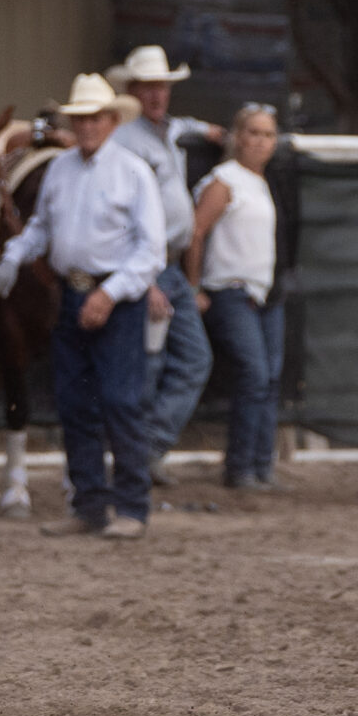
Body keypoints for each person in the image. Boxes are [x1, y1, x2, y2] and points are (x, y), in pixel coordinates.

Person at [0, 74, 165, 540]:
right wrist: (12, 259)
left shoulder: (134, 171)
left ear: (111, 121)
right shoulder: (61, 170)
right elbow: (41, 227)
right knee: (75, 403)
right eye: (80, 118)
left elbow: (151, 251)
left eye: (95, 118)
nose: (87, 126)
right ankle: (89, 505)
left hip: (116, 298)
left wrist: (109, 294)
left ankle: (131, 506)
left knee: (122, 403)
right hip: (71, 294)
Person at [104, 45, 222, 487]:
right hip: (148, 267)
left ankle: (145, 450)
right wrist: (145, 276)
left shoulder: (169, 130)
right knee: (150, 366)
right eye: (149, 88)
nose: (157, 95)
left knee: (192, 359)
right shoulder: (125, 139)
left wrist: (212, 131)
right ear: (132, 92)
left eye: (162, 87)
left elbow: (188, 127)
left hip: (168, 266)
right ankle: (138, 457)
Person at [185, 103, 284, 492]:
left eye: (268, 134)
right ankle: (240, 467)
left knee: (269, 379)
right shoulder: (224, 181)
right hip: (229, 290)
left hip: (262, 293)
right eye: (254, 133)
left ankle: (262, 465)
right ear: (238, 137)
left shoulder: (261, 184)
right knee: (255, 374)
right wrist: (195, 287)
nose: (261, 141)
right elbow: (195, 233)